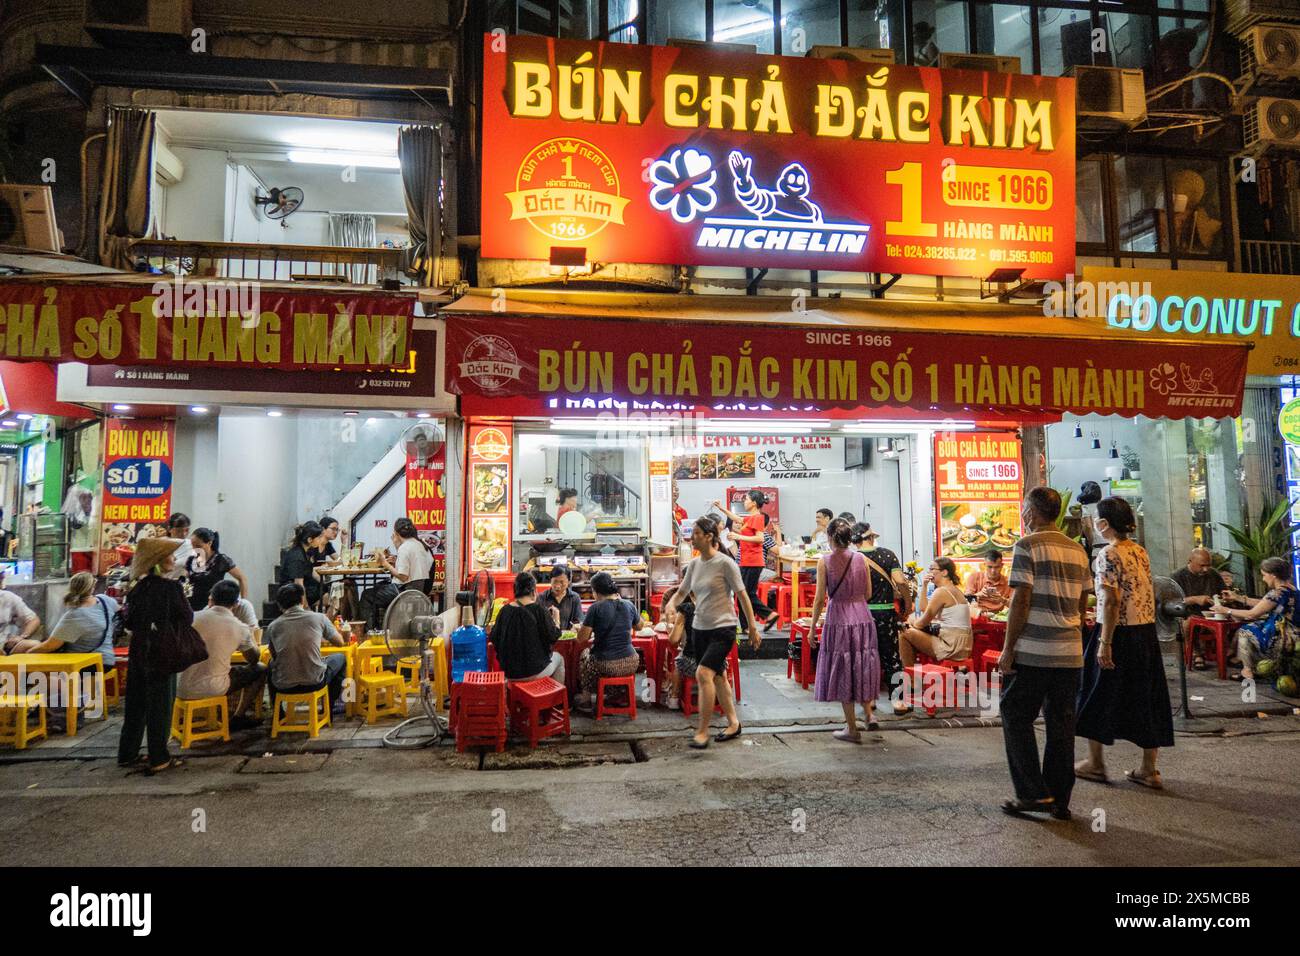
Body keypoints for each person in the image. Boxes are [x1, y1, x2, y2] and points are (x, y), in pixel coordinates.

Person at [997, 487, 1092, 821]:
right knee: (1062, 725)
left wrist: (1008, 650)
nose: (1023, 514)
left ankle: (1032, 792)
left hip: (1034, 652)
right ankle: (1059, 800)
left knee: (1014, 713)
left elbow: (1020, 600)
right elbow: (1083, 604)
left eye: (1024, 508)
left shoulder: (1027, 545)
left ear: (1032, 512)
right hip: (1070, 652)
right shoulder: (1077, 550)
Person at [1074, 496, 1172, 790]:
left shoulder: (1107, 554)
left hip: (1117, 632)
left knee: (1095, 692)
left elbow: (1113, 599)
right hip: (1145, 633)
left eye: (1094, 518)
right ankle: (1149, 769)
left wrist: (1105, 643)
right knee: (1146, 696)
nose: (1092, 522)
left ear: (1103, 524)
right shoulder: (1139, 551)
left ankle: (1095, 763)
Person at [666, 517, 762, 748]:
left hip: (723, 628)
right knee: (718, 676)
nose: (692, 537)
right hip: (700, 629)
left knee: (703, 674)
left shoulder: (725, 564)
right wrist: (670, 606)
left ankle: (702, 731)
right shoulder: (695, 565)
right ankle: (733, 723)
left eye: (697, 533)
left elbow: (742, 595)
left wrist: (751, 626)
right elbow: (681, 592)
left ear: (709, 536)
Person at [117, 536, 191, 774]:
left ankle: (127, 753)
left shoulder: (136, 589)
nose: (173, 559)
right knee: (160, 704)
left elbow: (127, 620)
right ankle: (159, 756)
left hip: (139, 649)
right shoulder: (171, 588)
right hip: (162, 649)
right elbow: (186, 617)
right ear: (159, 561)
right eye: (169, 556)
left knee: (136, 702)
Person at [809, 517, 880, 742]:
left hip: (838, 618)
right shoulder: (861, 559)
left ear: (830, 537)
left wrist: (812, 628)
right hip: (863, 617)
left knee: (843, 670)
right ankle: (869, 715)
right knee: (863, 664)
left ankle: (852, 728)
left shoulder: (825, 561)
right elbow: (868, 593)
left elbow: (820, 599)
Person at [179, 579, 265, 729]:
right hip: (213, 688)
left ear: (211, 599)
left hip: (181, 686)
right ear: (236, 603)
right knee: (260, 669)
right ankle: (238, 717)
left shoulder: (192, 618)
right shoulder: (239, 627)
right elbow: (254, 659)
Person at [895, 557, 972, 713]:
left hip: (950, 646)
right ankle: (917, 681)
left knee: (904, 633)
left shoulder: (942, 592)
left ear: (944, 572)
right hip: (962, 644)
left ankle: (911, 684)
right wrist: (924, 585)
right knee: (910, 634)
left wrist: (912, 624)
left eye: (932, 569)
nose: (929, 573)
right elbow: (924, 608)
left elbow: (922, 621)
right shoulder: (954, 590)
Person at [265, 583, 347, 715]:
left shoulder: (273, 626)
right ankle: (329, 708)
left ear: (279, 605)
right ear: (302, 600)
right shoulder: (318, 618)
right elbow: (340, 642)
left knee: (270, 666)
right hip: (315, 682)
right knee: (340, 658)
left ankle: (278, 713)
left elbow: (274, 656)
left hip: (283, 686)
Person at [852, 523, 911, 695]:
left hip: (861, 614)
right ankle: (898, 699)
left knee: (864, 656)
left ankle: (868, 701)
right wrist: (907, 603)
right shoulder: (887, 554)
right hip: (885, 612)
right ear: (871, 537)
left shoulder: (853, 559)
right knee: (891, 656)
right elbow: (900, 581)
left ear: (855, 542)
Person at [19, 571, 116, 670]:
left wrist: (27, 655)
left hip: (85, 664)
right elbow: (118, 609)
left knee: (40, 676)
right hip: (107, 659)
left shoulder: (76, 615)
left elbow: (50, 646)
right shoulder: (105, 600)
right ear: (92, 588)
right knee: (28, 645)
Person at [1225, 556, 1298, 682]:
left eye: (1264, 575)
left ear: (1273, 575)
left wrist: (1225, 610)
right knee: (1256, 626)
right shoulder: (1292, 589)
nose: (1263, 578)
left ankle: (1248, 672)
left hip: (1284, 635)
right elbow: (1265, 603)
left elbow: (1251, 614)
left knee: (1245, 630)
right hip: (1295, 631)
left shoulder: (1276, 593)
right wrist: (1239, 598)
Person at [575, 571, 640, 711]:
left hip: (607, 664)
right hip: (631, 661)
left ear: (595, 591)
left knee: (585, 654)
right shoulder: (629, 604)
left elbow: (582, 639)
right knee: (597, 657)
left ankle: (586, 699)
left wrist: (579, 629)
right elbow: (639, 626)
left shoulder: (595, 608)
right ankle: (616, 696)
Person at [714, 492, 779, 633]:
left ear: (754, 503)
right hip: (746, 561)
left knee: (746, 594)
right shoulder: (750, 518)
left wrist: (738, 536)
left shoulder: (758, 518)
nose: (744, 502)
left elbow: (760, 539)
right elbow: (736, 518)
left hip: (753, 562)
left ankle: (766, 616)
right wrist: (721, 508)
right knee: (743, 593)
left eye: (747, 499)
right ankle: (746, 626)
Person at [490, 571, 565, 684]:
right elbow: (553, 637)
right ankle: (554, 699)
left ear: (515, 590)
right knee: (559, 659)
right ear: (533, 591)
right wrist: (556, 619)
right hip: (534, 672)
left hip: (508, 673)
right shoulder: (539, 610)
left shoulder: (504, 610)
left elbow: (494, 638)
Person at [1172, 548, 1229, 669]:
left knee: (1232, 620)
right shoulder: (1177, 576)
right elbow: (1171, 602)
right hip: (1188, 613)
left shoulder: (1213, 574)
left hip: (1212, 612)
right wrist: (1194, 599)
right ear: (1190, 561)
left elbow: (1224, 592)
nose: (1205, 569)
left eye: (1208, 565)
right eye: (1202, 566)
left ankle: (1229, 653)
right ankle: (1196, 653)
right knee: (1188, 623)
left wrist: (1225, 597)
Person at [184, 528, 248, 612]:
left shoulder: (220, 560)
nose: (195, 549)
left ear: (209, 543)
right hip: (192, 606)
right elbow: (187, 582)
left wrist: (243, 602)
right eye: (192, 545)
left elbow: (242, 578)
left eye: (198, 546)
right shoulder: (192, 559)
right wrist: (184, 599)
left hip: (213, 606)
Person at [376, 517, 433, 596]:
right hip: (417, 588)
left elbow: (403, 577)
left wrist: (385, 563)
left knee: (368, 594)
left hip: (405, 591)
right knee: (379, 587)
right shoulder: (419, 545)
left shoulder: (405, 547)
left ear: (397, 533)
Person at [280, 521, 326, 610]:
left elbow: (310, 571)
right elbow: (299, 584)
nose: (321, 539)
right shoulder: (297, 556)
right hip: (292, 594)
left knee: (333, 591)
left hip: (307, 585)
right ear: (310, 540)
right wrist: (305, 606)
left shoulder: (306, 551)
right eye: (319, 537)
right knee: (334, 597)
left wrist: (323, 581)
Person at [0, 569, 41, 653]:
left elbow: (33, 620)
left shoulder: (8, 597)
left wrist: (22, 637)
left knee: (35, 645)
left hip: (4, 645)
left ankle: (21, 666)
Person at [537, 565, 583, 630]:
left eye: (562, 582)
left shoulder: (574, 598)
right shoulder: (541, 597)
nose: (558, 586)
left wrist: (576, 626)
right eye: (555, 581)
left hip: (568, 637)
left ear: (569, 581)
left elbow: (578, 620)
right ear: (550, 580)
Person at [164, 513, 193, 578]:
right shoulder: (161, 545)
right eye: (179, 531)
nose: (183, 534)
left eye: (186, 530)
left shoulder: (191, 545)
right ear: (169, 529)